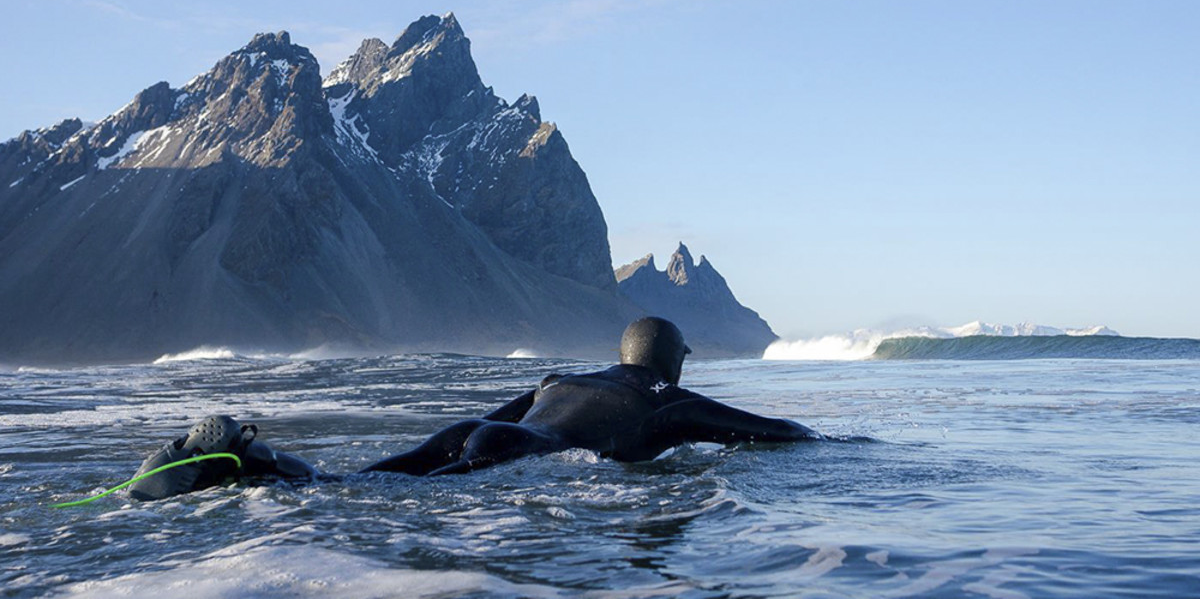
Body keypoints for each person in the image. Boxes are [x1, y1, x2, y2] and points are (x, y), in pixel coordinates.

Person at [126, 317, 820, 500]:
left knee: (360, 481)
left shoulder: (561, 375)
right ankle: (248, 463)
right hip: (525, 454)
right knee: (364, 499)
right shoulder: (668, 398)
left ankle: (243, 457)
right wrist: (839, 444)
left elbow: (505, 414)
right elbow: (769, 431)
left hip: (479, 430)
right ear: (673, 360)